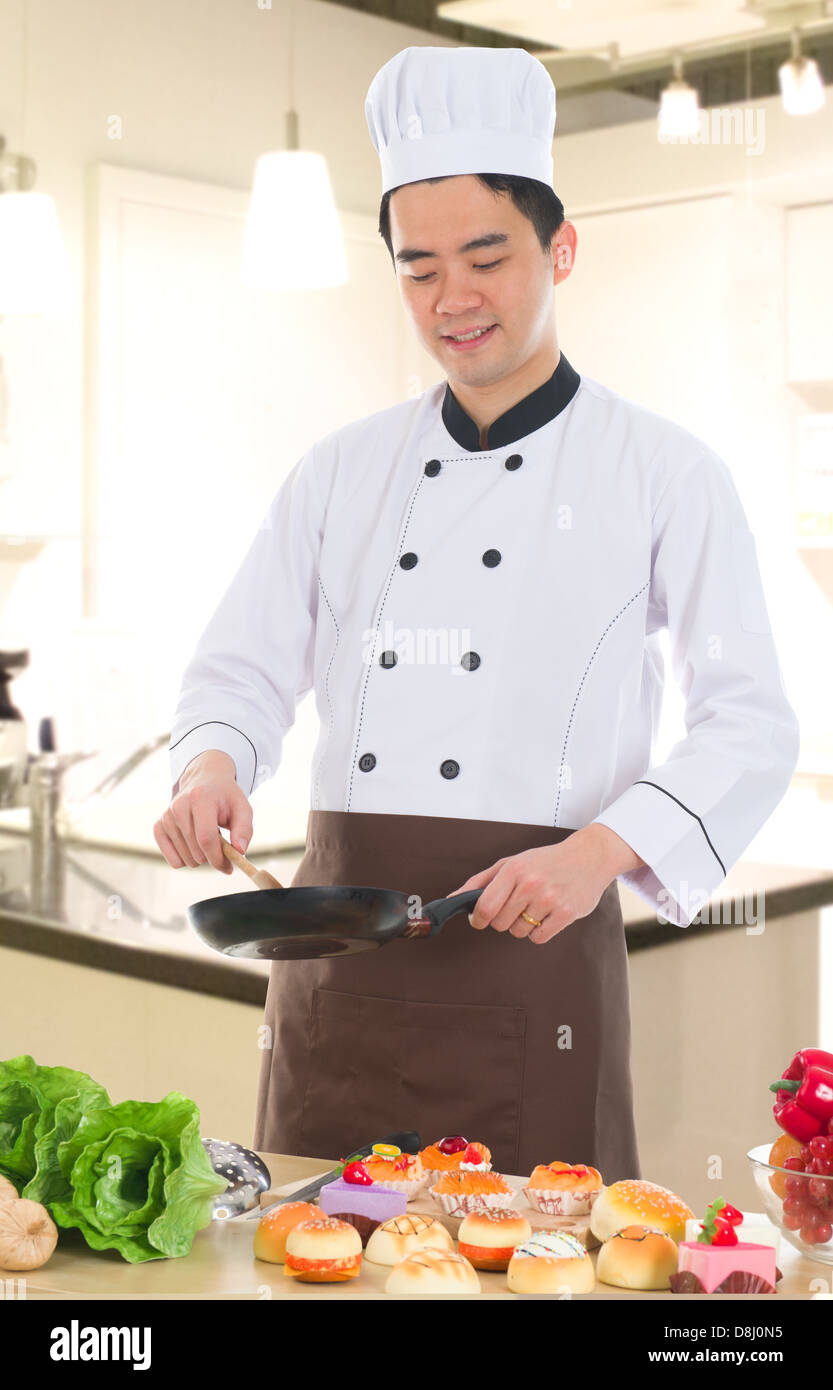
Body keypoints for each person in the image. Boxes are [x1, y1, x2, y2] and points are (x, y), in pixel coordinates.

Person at [155, 46, 800, 1179]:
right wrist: (210, 766)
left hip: (532, 952)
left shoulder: (661, 472)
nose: (451, 299)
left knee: (534, 1270)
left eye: (485, 256)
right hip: (335, 963)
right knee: (309, 1254)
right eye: (417, 269)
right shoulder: (339, 471)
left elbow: (749, 722)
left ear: (558, 248)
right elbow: (239, 671)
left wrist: (597, 853)